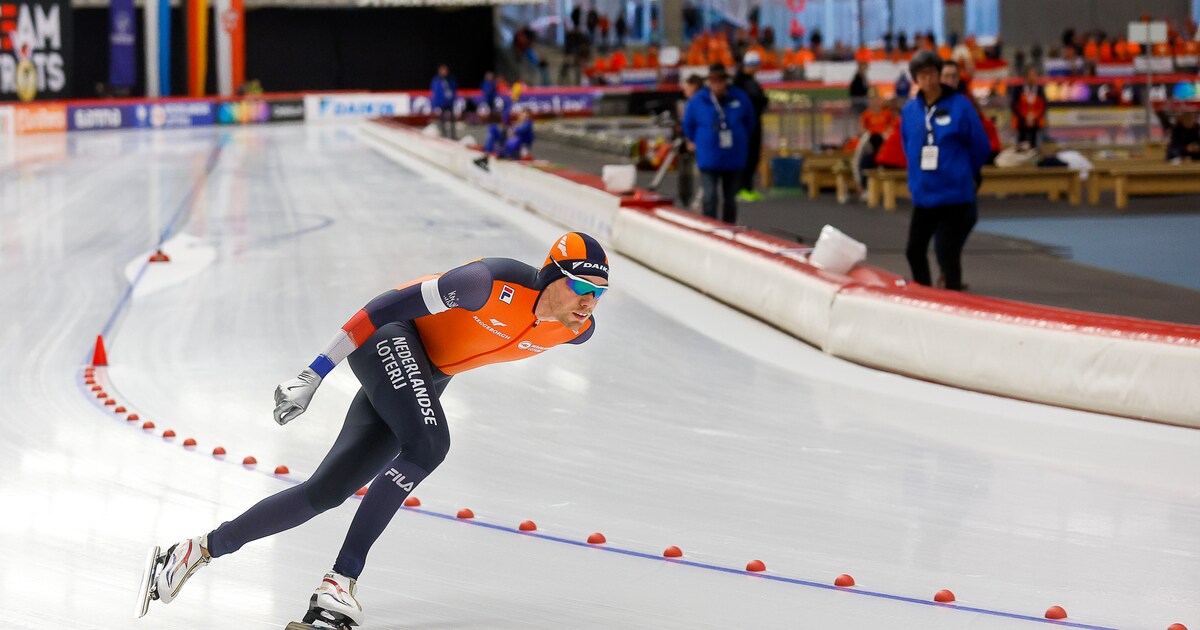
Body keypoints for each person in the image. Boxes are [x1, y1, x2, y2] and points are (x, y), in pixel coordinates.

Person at [142, 232, 610, 627]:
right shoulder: (486, 282)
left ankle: (195, 551)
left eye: (599, 293)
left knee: (325, 491)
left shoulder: (575, 330)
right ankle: (340, 582)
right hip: (391, 337)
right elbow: (383, 308)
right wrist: (315, 372)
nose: (589, 302)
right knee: (428, 446)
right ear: (552, 276)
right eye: (581, 287)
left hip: (427, 375)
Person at [899, 50, 990, 292]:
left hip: (954, 193)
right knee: (914, 250)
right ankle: (926, 297)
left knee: (949, 253)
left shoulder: (961, 106)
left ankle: (953, 301)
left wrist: (962, 172)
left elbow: (980, 145)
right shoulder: (909, 110)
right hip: (924, 193)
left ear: (938, 75)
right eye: (921, 75)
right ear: (915, 79)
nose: (927, 79)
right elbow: (907, 146)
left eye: (931, 73)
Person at [683, 63, 756, 224]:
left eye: (720, 81)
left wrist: (741, 139)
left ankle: (728, 228)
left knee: (730, 197)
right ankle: (710, 226)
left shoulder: (739, 97)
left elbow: (750, 122)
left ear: (725, 81)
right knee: (709, 196)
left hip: (733, 156)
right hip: (708, 156)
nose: (717, 85)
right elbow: (688, 124)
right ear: (708, 82)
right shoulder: (698, 100)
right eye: (713, 81)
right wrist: (694, 140)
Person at [733, 51, 770, 202]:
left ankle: (748, 187)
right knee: (746, 156)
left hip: (753, 122)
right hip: (745, 125)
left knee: (753, 155)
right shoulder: (741, 83)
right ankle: (741, 188)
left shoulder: (750, 82)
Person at [674, 74, 704, 208]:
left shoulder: (699, 102)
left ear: (694, 86)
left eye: (687, 86)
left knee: (703, 172)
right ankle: (699, 197)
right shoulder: (693, 101)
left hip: (700, 142)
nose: (684, 89)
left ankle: (701, 197)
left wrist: (692, 139)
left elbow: (695, 123)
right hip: (697, 141)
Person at [1011, 65, 1047, 148]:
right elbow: (1014, 106)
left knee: (1035, 145)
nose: (1034, 77)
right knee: (1021, 146)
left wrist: (1034, 118)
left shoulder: (1040, 90)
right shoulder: (1018, 89)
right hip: (1021, 123)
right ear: (1026, 77)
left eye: (1035, 74)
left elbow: (1043, 107)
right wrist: (1024, 118)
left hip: (1036, 123)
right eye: (1031, 74)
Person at [430, 64, 458, 140]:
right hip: (441, 103)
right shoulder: (436, 80)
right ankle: (444, 135)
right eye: (442, 70)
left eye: (445, 70)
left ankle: (453, 135)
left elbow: (453, 90)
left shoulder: (451, 80)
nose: (444, 72)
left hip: (449, 102)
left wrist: (452, 100)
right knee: (442, 120)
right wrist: (435, 105)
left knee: (452, 119)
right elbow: (435, 93)